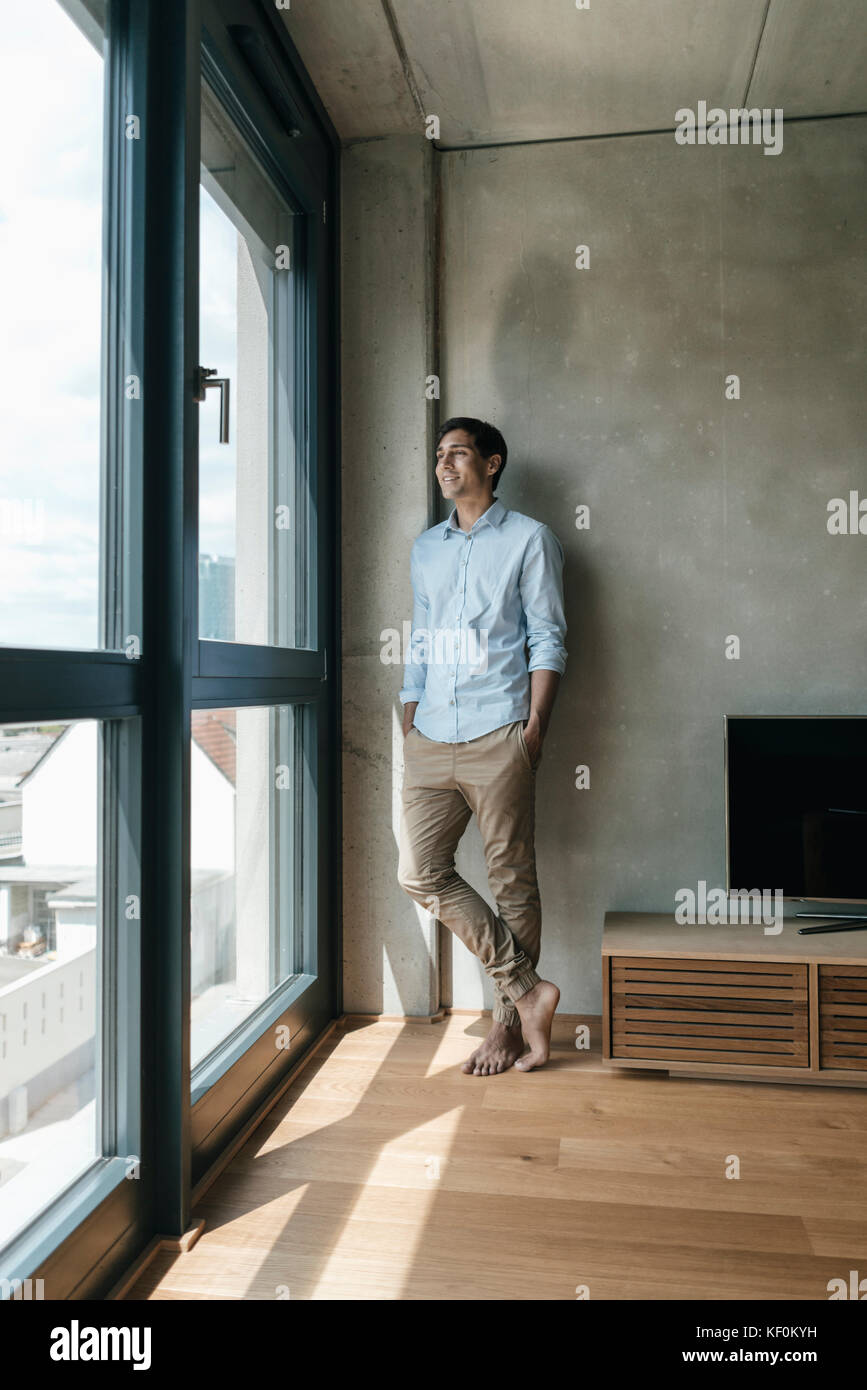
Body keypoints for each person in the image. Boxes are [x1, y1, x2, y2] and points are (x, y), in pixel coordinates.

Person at [397, 417, 567, 1074]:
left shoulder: (530, 539)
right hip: (430, 732)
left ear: (491, 464)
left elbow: (547, 638)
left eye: (458, 453)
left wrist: (534, 730)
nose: (444, 464)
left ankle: (505, 1027)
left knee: (510, 880)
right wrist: (409, 717)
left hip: (501, 730)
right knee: (420, 872)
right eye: (439, 454)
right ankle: (529, 992)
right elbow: (421, 639)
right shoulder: (426, 547)